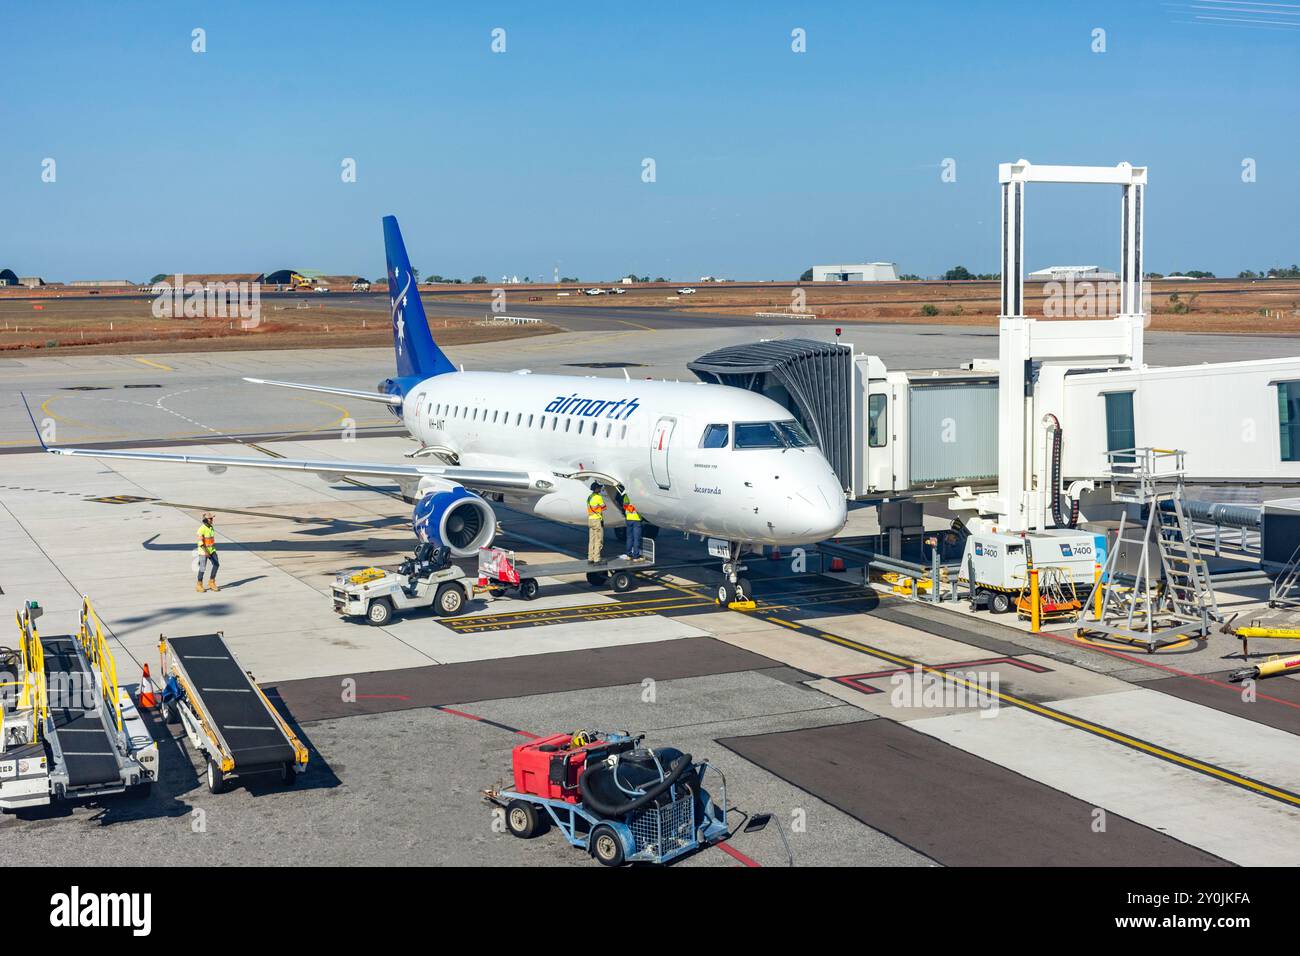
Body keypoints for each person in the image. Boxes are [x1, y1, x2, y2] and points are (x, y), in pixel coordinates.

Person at [196, 512, 219, 592]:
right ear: (205, 520)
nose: (212, 520)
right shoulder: (201, 529)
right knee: (202, 568)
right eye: (211, 519)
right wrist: (206, 552)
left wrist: (212, 549)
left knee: (216, 564)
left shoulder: (211, 527)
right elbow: (200, 542)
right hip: (203, 551)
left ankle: (211, 582)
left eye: (212, 518)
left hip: (212, 550)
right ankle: (199, 585)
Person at [586, 481, 606, 564]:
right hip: (597, 520)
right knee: (599, 540)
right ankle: (597, 559)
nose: (601, 488)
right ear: (596, 489)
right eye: (599, 487)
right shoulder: (598, 497)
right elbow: (604, 507)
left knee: (592, 540)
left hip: (590, 519)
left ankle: (590, 558)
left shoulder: (589, 497)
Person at [619, 491, 643, 560]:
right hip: (636, 519)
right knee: (636, 538)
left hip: (629, 519)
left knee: (629, 538)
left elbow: (624, 506)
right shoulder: (637, 496)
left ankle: (628, 554)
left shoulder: (626, 496)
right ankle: (636, 555)